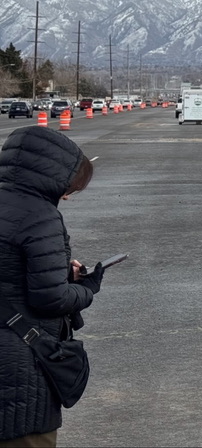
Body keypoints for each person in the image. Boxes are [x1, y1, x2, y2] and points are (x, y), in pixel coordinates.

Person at [1, 127, 104, 446]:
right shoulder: (41, 216)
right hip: (18, 364)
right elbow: (50, 299)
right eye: (70, 186)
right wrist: (87, 288)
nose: (69, 195)